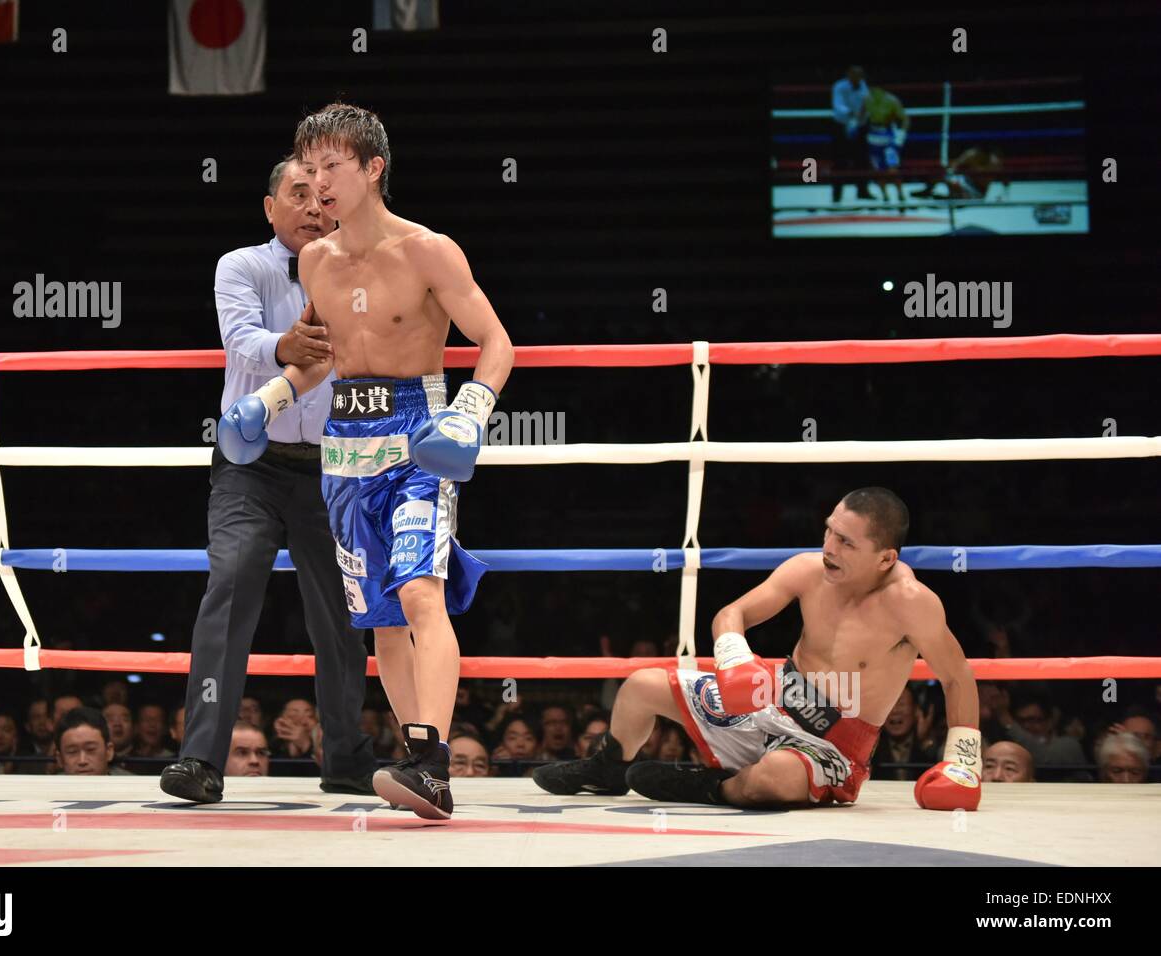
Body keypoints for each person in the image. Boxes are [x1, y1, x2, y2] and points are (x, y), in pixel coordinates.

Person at [227, 103, 515, 819]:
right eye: (310, 168)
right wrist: (265, 402)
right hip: (346, 448)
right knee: (381, 617)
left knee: (421, 591)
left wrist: (470, 414)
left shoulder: (429, 251)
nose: (318, 182)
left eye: (332, 167)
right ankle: (425, 769)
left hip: (421, 437)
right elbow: (319, 362)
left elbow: (497, 342)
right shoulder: (314, 260)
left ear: (373, 168)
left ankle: (433, 758)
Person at [534, 488, 982, 811]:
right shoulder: (808, 571)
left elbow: (956, 675)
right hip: (769, 702)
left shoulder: (911, 603)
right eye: (830, 531)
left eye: (847, 542)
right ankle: (609, 768)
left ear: (885, 557)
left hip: (831, 746)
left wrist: (964, 764)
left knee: (774, 779)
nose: (829, 548)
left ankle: (712, 787)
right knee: (640, 686)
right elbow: (733, 614)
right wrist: (736, 661)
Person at [161, 155, 377, 806]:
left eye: (324, 196)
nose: (313, 206)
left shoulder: (361, 273)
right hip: (249, 464)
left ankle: (345, 757)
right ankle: (200, 759)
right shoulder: (243, 265)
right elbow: (240, 340)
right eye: (298, 193)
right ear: (270, 207)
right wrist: (289, 346)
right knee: (228, 589)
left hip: (332, 467)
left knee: (343, 614)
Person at [856, 86, 910, 206]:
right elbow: (860, 116)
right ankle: (885, 198)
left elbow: (905, 119)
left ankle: (901, 196)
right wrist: (856, 124)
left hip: (889, 137)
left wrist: (901, 134)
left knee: (892, 169)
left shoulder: (892, 100)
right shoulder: (867, 99)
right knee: (879, 170)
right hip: (873, 137)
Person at [830, 65, 871, 203]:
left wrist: (863, 114)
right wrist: (852, 113)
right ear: (848, 75)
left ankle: (863, 191)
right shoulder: (839, 86)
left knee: (862, 160)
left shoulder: (863, 85)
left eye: (860, 75)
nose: (857, 78)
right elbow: (838, 105)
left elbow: (866, 103)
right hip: (841, 125)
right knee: (839, 161)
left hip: (859, 126)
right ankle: (836, 195)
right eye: (855, 75)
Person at [54, 707, 134, 776]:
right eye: (72, 752)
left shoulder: (135, 786)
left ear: (109, 751)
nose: (82, 761)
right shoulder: (45, 789)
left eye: (90, 749)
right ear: (60, 759)